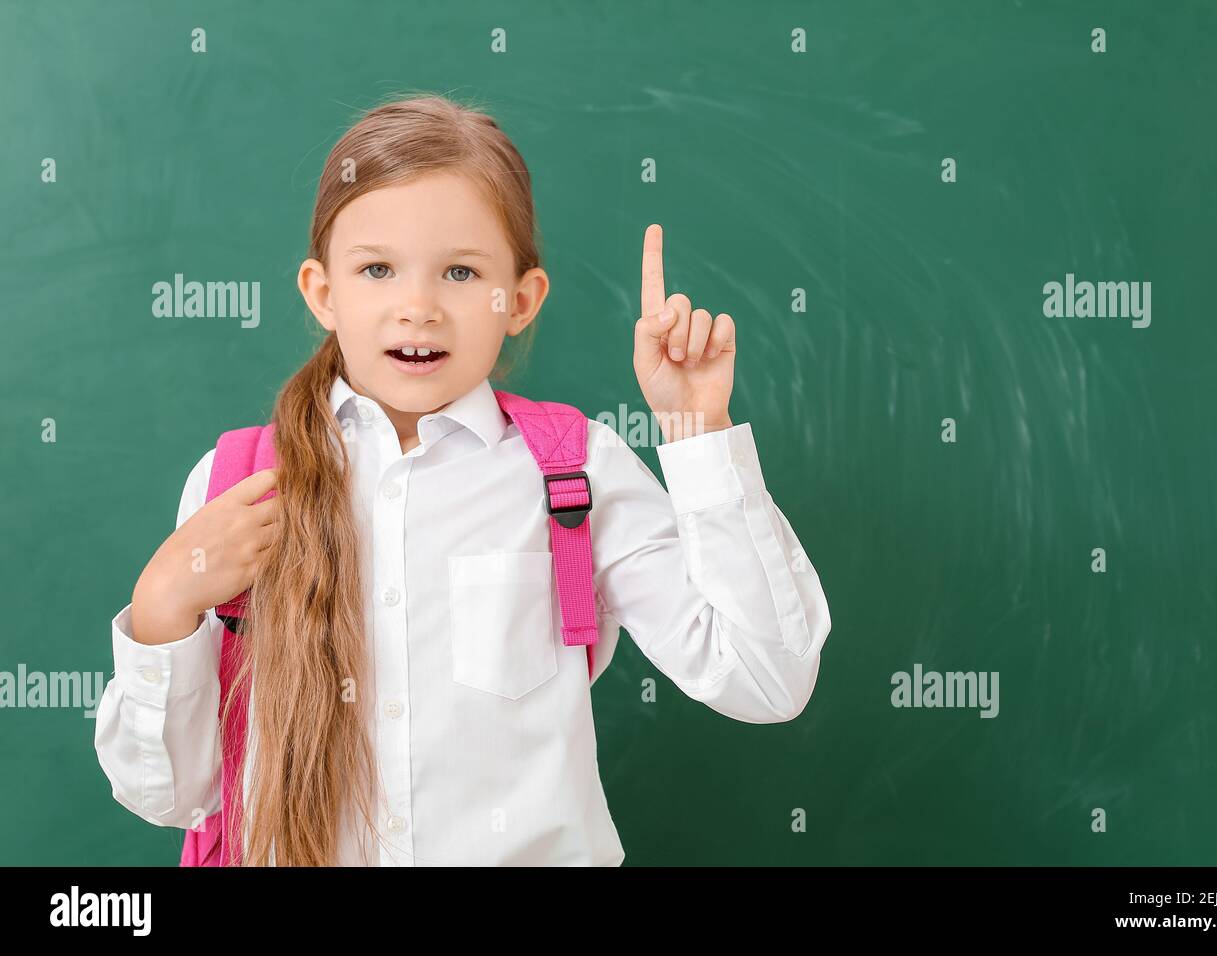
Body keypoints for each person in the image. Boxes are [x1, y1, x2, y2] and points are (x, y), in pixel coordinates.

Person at [93, 94, 831, 866]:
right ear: (322, 292)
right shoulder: (237, 481)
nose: (418, 307)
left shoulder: (573, 470)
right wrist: (162, 610)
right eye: (377, 268)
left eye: (460, 271)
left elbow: (767, 679)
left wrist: (696, 430)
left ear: (519, 300)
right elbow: (168, 796)